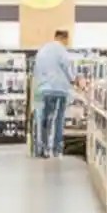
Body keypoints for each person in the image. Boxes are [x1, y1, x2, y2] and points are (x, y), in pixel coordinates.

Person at [31, 29, 75, 158]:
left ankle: (42, 148)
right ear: (64, 38)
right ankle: (56, 148)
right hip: (59, 90)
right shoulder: (62, 50)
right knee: (58, 119)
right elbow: (68, 68)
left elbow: (36, 70)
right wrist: (74, 81)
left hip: (43, 89)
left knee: (44, 119)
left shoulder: (42, 50)